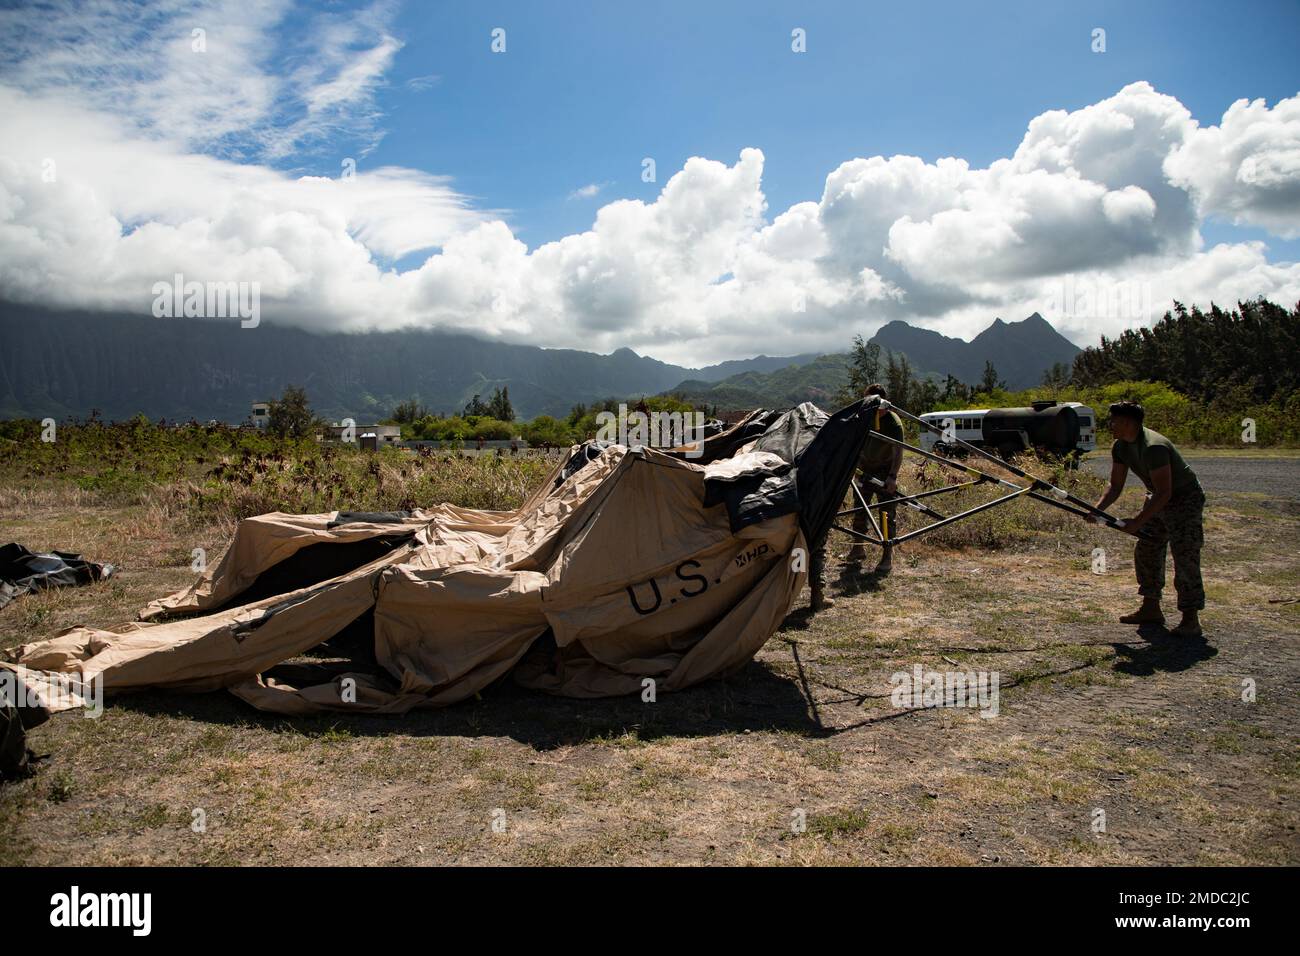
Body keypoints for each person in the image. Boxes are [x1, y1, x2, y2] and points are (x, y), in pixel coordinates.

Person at [1090, 401, 1206, 637]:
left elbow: (1166, 492)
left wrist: (1137, 522)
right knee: (1147, 549)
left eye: (1113, 420)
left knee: (1185, 554)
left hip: (1184, 499)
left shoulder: (1154, 447)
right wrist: (1098, 509)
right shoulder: (1120, 446)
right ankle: (1151, 607)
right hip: (1158, 496)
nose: (1109, 425)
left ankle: (1190, 618)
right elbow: (1115, 485)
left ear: (1128, 422)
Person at [809, 384, 905, 611]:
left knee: (885, 514)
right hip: (864, 470)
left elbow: (898, 451)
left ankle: (886, 556)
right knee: (859, 511)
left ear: (882, 402)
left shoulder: (893, 422)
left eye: (874, 402)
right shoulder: (864, 419)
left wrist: (892, 476)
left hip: (884, 472)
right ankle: (857, 549)